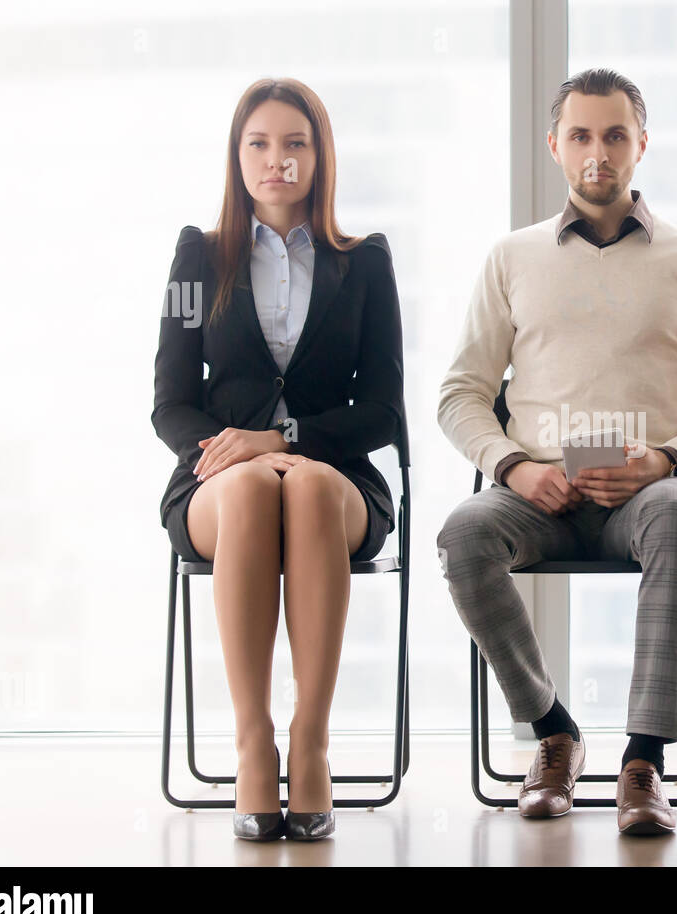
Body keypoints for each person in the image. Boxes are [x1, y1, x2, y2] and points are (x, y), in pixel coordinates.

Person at [436, 68, 677, 836]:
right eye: (581, 135)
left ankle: (643, 764)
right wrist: (516, 467)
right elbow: (460, 394)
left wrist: (667, 461)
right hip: (537, 489)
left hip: (642, 492)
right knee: (464, 532)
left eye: (615, 135)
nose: (598, 152)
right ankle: (553, 733)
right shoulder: (511, 258)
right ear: (555, 146)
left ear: (641, 145)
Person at [152, 77, 404, 842]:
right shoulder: (199, 260)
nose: (278, 160)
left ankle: (312, 742)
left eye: (296, 143)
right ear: (237, 157)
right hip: (217, 482)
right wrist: (241, 455)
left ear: (320, 158)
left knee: (306, 487)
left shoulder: (363, 265)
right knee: (257, 487)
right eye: (259, 143)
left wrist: (285, 442)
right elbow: (171, 400)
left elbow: (384, 410)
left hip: (337, 481)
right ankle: (253, 741)